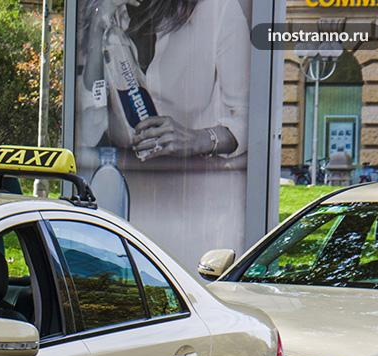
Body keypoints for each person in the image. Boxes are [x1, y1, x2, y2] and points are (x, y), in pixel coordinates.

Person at [76, 0, 249, 265]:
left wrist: (199, 139)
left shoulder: (217, 9)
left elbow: (247, 118)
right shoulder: (106, 13)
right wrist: (97, 32)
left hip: (194, 216)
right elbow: (87, 129)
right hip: (120, 209)